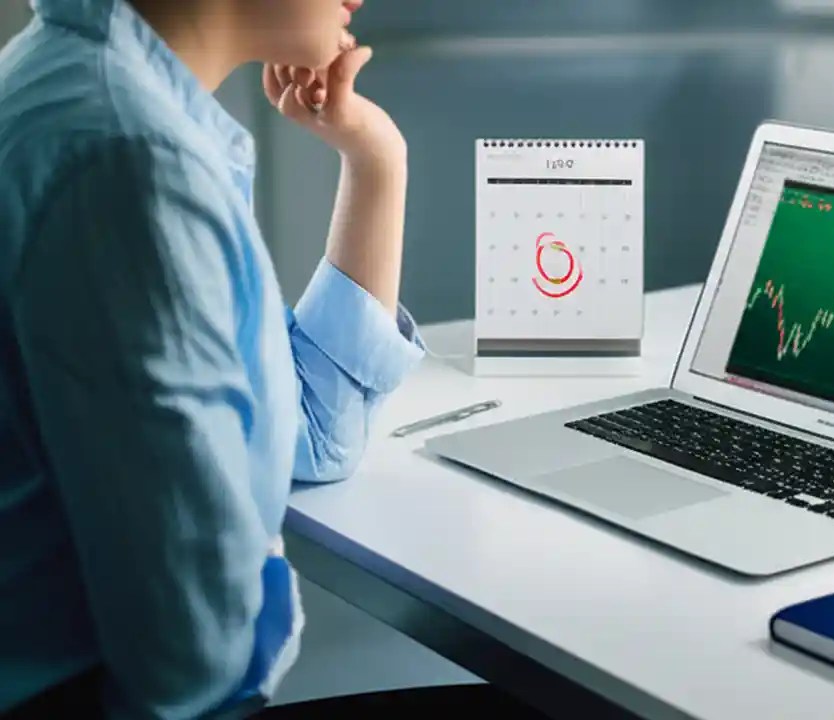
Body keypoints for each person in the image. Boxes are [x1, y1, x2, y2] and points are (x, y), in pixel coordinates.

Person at [0, 1, 545, 717]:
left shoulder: (102, 92)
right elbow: (193, 661)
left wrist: (375, 159)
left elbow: (307, 438)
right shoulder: (130, 161)